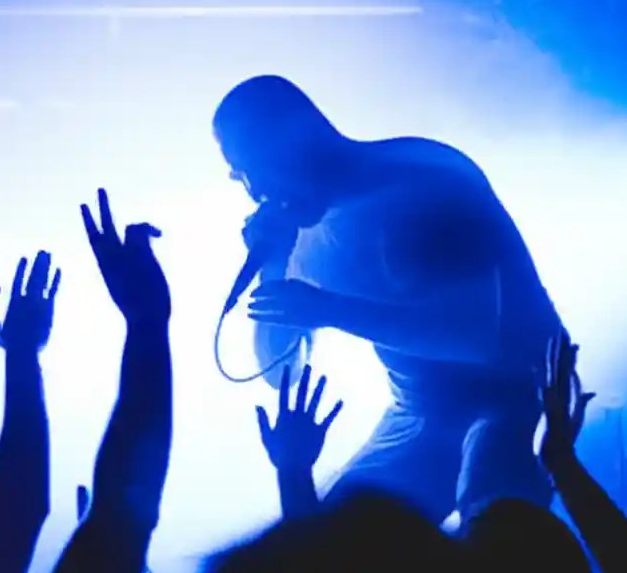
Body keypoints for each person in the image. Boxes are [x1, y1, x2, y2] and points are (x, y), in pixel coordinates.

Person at [214, 74, 562, 523]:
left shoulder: (424, 182)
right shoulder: (301, 230)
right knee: (333, 546)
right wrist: (272, 263)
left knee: (492, 522)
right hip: (421, 410)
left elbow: (472, 337)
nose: (253, 191)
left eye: (252, 168)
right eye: (238, 175)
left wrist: (330, 309)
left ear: (293, 140)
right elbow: (280, 370)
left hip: (519, 389)